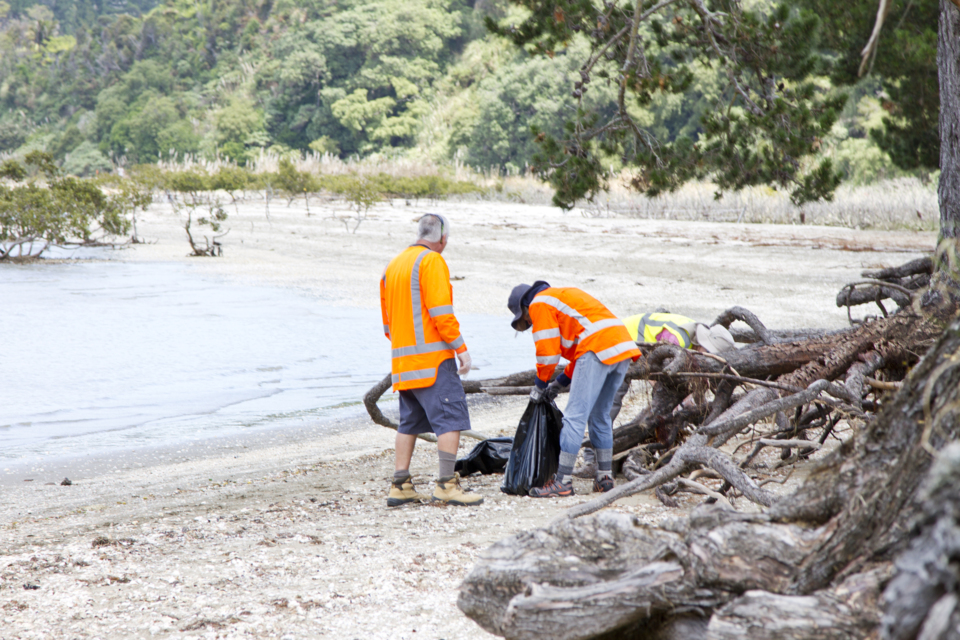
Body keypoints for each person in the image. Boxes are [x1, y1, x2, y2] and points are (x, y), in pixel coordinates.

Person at [380, 213, 482, 507]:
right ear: (443, 238)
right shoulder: (432, 261)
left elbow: (388, 326)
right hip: (433, 362)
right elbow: (441, 313)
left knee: (409, 423)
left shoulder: (392, 266)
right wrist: (461, 349)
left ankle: (400, 486)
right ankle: (447, 485)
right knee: (451, 419)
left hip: (403, 365)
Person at [507, 281, 641, 497]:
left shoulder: (538, 304)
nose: (530, 322)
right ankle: (604, 478)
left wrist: (539, 386)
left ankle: (563, 481)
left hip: (598, 347)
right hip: (621, 344)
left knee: (574, 417)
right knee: (601, 416)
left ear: (524, 307)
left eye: (526, 320)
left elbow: (548, 354)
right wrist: (559, 383)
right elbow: (582, 348)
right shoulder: (561, 296)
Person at [573, 311, 737, 478]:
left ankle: (665, 454)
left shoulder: (694, 339)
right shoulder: (677, 339)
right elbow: (654, 370)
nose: (709, 356)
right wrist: (671, 394)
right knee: (610, 402)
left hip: (637, 345)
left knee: (671, 403)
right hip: (620, 339)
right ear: (703, 342)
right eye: (709, 351)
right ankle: (591, 459)